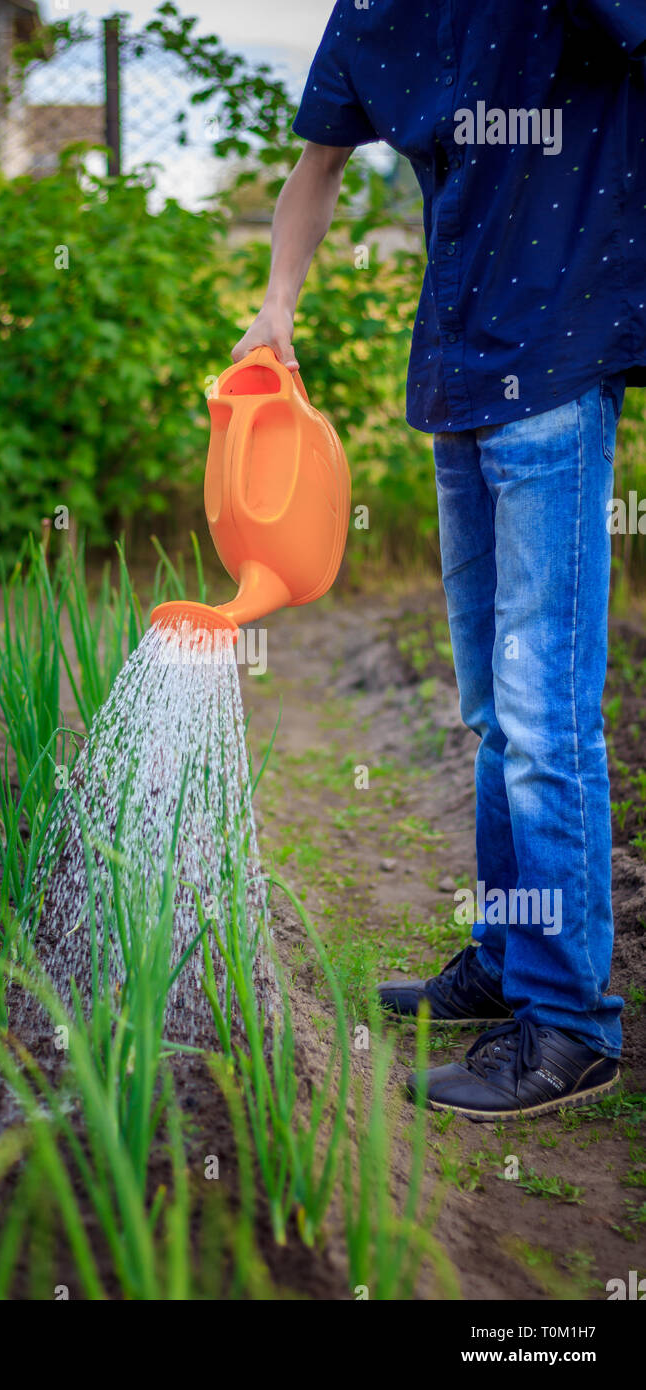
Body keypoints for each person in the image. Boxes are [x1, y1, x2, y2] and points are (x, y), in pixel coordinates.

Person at [232, 0, 646, 1119]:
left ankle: (567, 1025)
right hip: (455, 370)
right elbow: (316, 162)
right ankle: (507, 960)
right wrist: (276, 304)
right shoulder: (374, 9)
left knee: (542, 709)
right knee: (488, 707)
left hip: (557, 365)